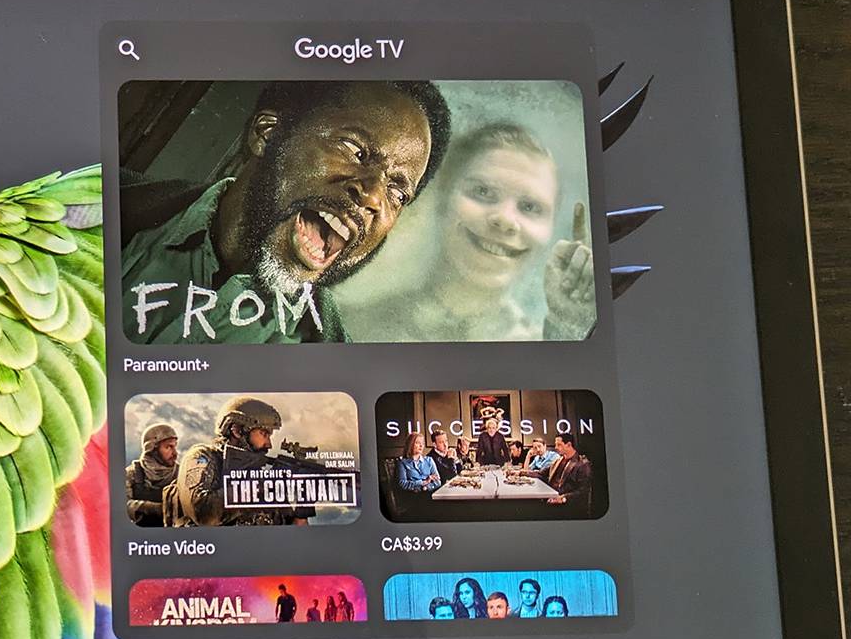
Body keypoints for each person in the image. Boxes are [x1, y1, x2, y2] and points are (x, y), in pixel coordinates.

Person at [122, 80, 453, 343]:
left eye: (397, 192)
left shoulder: (335, 377)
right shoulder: (104, 206)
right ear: (267, 133)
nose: (373, 197)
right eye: (355, 150)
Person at [335, 121, 597, 342]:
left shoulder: (553, 343)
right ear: (444, 196)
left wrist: (566, 328)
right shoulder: (348, 325)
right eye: (483, 191)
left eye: (530, 207)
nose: (506, 220)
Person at [164, 396, 307, 526]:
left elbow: (294, 532)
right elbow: (202, 513)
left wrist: (303, 507)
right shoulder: (202, 456)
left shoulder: (257, 474)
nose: (269, 444)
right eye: (264, 433)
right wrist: (259, 485)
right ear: (237, 430)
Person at [125, 422, 179, 526]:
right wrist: (152, 508)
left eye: (175, 447)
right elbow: (122, 506)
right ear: (152, 449)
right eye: (168, 447)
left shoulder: (181, 474)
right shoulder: (133, 473)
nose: (175, 453)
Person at [544, 431, 594, 513]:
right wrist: (522, 472)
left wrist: (563, 498)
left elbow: (584, 491)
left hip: (567, 506)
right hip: (551, 498)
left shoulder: (582, 464)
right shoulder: (558, 460)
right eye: (556, 444)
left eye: (559, 445)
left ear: (569, 445)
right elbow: (542, 473)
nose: (556, 447)